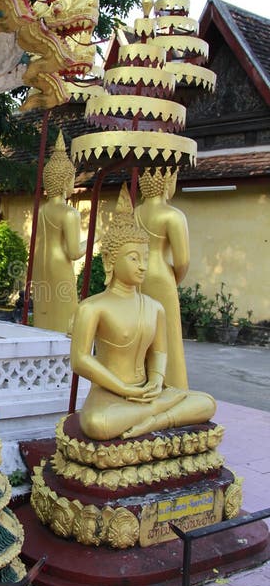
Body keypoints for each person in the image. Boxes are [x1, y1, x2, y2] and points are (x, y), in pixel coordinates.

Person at [70, 185, 215, 441]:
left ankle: (152, 418)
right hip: (110, 394)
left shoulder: (154, 307)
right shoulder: (92, 307)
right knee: (97, 424)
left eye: (146, 258)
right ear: (110, 260)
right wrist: (123, 388)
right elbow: (80, 359)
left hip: (147, 391)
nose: (143, 266)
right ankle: (159, 413)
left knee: (207, 403)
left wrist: (157, 381)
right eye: (134, 258)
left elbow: (159, 351)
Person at [135, 167, 189, 388]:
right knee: (168, 335)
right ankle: (172, 384)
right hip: (162, 275)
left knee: (143, 331)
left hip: (137, 275)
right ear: (168, 180)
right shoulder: (172, 215)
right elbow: (183, 261)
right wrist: (173, 280)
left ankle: (141, 380)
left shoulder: (135, 212)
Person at [33, 133, 87, 334]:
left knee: (43, 315)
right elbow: (73, 253)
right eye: (72, 179)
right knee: (65, 320)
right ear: (65, 181)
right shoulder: (69, 213)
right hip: (60, 267)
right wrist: (92, 240)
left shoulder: (41, 210)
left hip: (41, 265)